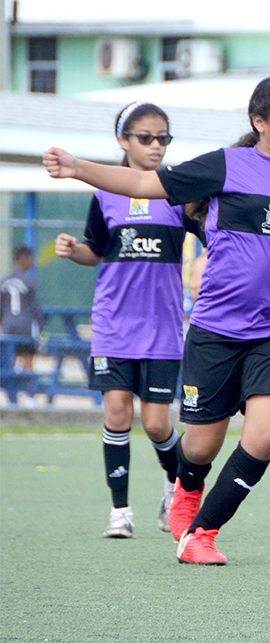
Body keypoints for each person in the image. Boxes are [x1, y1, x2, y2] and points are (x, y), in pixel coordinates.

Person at [43, 75, 270, 566]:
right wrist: (79, 167)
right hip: (217, 331)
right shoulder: (227, 166)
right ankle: (186, 485)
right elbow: (145, 183)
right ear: (259, 121)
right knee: (202, 444)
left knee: (265, 435)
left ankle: (202, 532)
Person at [54, 101, 203, 539]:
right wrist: (72, 250)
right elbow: (95, 251)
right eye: (145, 138)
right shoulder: (104, 193)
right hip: (113, 324)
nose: (156, 146)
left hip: (162, 328)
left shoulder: (179, 193)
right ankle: (120, 512)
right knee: (117, 413)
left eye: (163, 138)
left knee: (157, 423)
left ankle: (175, 488)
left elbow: (214, 232)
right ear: (123, 140)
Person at [1, 245, 43, 403]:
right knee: (28, 358)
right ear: (23, 259)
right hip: (25, 326)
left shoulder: (4, 279)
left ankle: (11, 396)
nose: (32, 262)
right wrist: (42, 327)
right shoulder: (29, 281)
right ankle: (29, 395)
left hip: (8, 325)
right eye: (30, 259)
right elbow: (36, 308)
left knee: (9, 359)